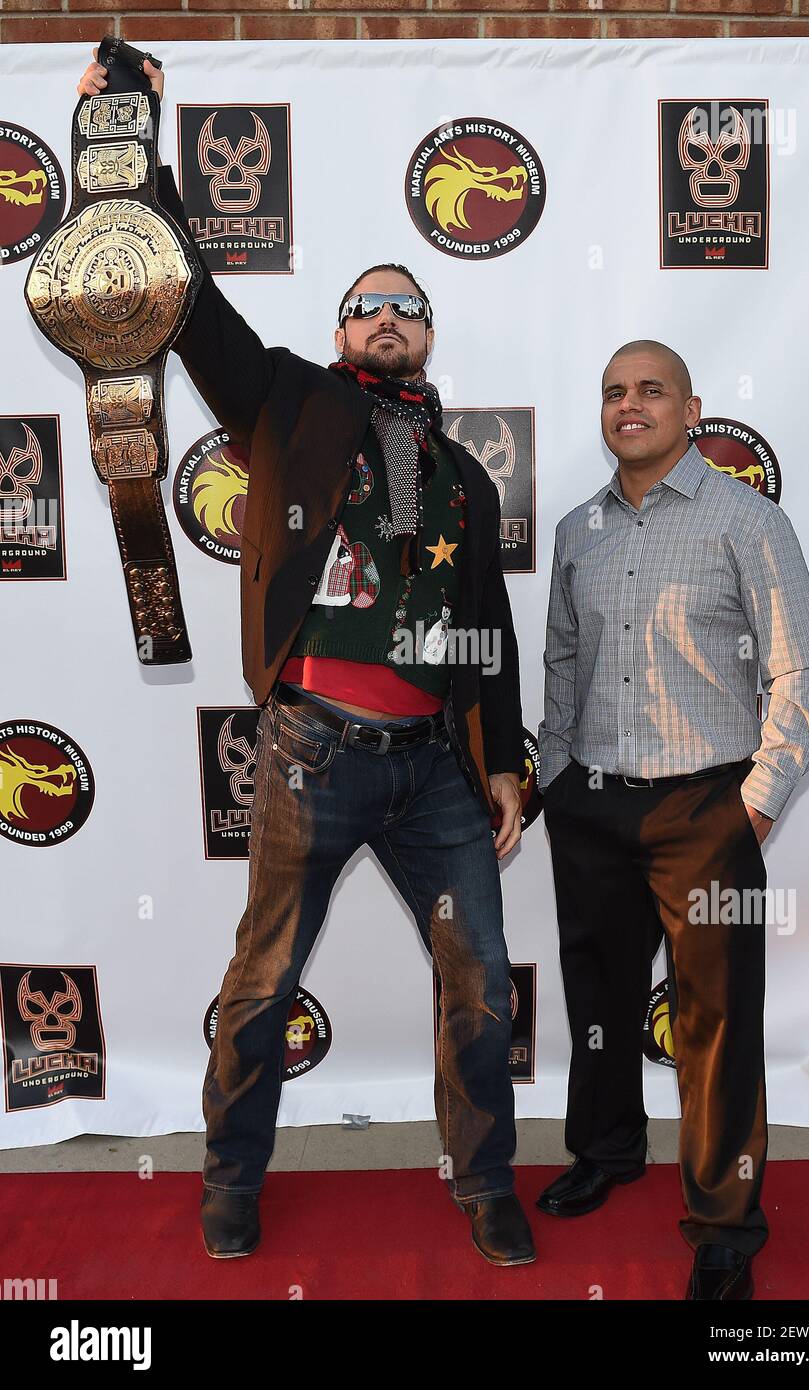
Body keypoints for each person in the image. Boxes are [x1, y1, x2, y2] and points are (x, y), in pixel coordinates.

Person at [75, 51, 533, 1267]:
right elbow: (194, 303)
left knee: (481, 984)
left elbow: (486, 631)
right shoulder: (281, 400)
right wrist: (130, 137)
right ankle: (232, 1178)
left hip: (436, 771)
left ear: (430, 334)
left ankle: (482, 1180)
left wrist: (503, 765)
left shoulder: (465, 476)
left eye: (408, 305)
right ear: (339, 330)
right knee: (262, 984)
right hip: (309, 756)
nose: (387, 315)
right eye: (367, 303)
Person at [536, 340, 809, 1300]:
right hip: (591, 806)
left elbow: (800, 672)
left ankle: (724, 1223)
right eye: (614, 391)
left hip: (706, 809)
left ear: (690, 409)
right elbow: (561, 664)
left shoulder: (746, 520)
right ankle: (608, 1150)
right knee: (598, 1004)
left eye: (650, 390)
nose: (630, 405)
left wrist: (756, 803)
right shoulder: (578, 529)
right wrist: (551, 776)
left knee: (715, 1024)